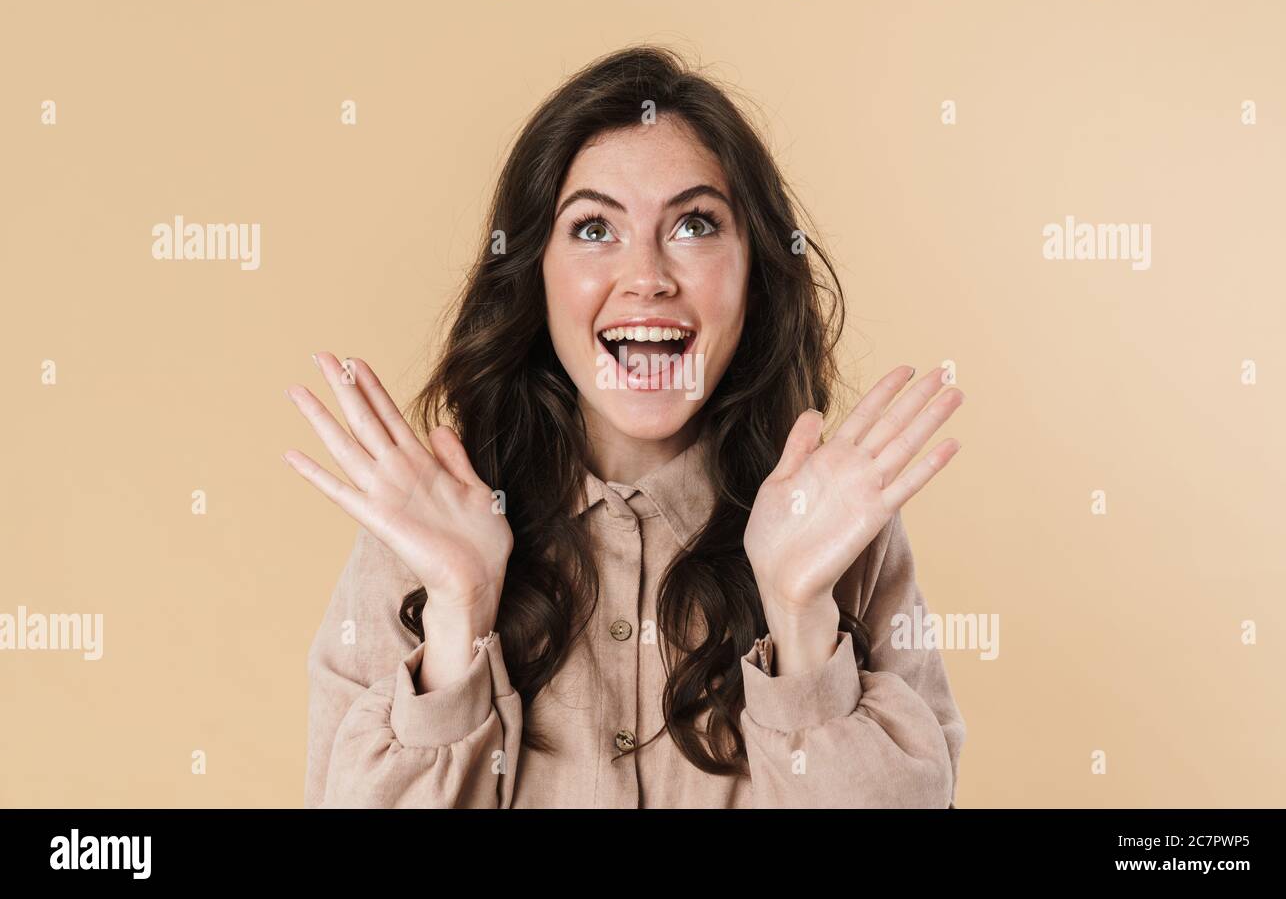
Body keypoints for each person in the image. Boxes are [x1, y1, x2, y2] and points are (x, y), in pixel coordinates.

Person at [286, 45, 967, 808]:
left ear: (754, 270)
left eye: (695, 223)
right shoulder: (419, 532)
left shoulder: (841, 528)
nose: (647, 275)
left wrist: (800, 618)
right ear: (534, 271)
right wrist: (458, 615)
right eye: (592, 229)